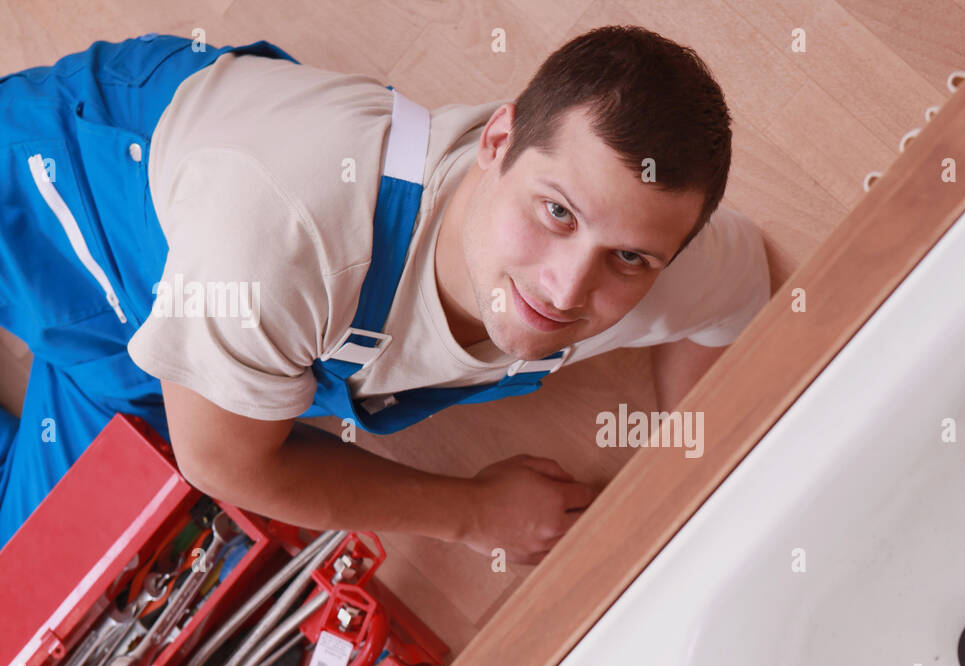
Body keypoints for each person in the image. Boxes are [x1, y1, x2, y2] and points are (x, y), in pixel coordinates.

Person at [0, 25, 771, 564]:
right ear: (497, 143)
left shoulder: (672, 267)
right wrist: (472, 514)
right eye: (556, 212)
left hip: (186, 342)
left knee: (17, 613)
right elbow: (225, 463)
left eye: (630, 258)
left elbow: (732, 297)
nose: (566, 288)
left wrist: (685, 465)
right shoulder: (287, 237)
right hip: (66, 192)